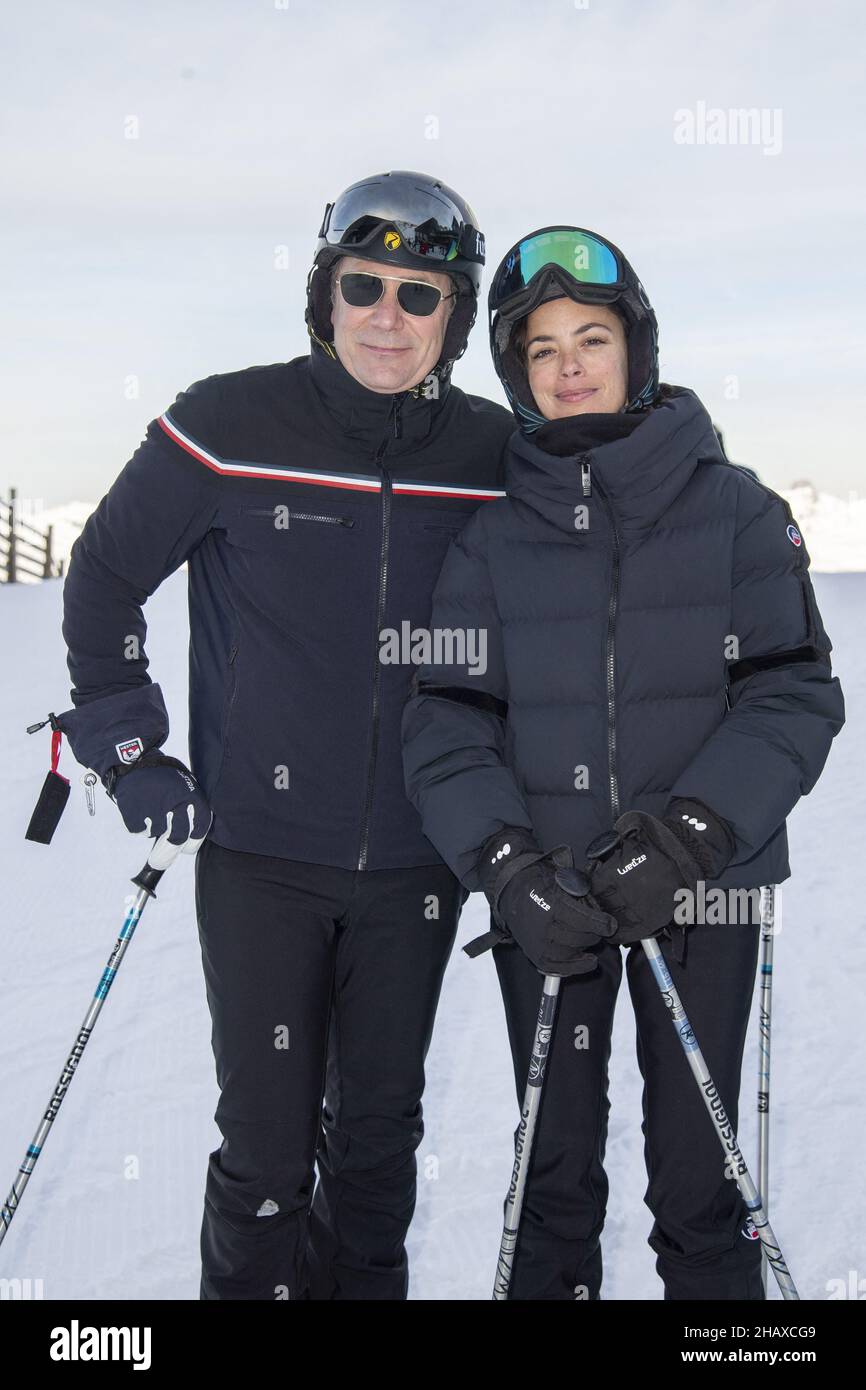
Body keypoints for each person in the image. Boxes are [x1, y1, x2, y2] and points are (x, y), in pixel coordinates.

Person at [54, 171, 514, 1300]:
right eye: (364, 285)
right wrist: (128, 745)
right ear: (325, 293)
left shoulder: (500, 457)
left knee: (374, 1150)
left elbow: (616, 535)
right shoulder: (226, 422)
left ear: (453, 318)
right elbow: (104, 577)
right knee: (265, 1160)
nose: (388, 316)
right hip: (262, 857)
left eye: (421, 294)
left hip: (417, 861)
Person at [401, 225, 846, 1300]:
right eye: (540, 347)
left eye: (589, 337)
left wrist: (688, 833)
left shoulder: (736, 510)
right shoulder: (490, 538)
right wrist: (505, 865)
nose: (567, 365)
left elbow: (792, 691)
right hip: (546, 896)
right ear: (515, 374)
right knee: (551, 1178)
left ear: (633, 349)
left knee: (699, 1187)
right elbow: (445, 718)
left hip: (702, 890)